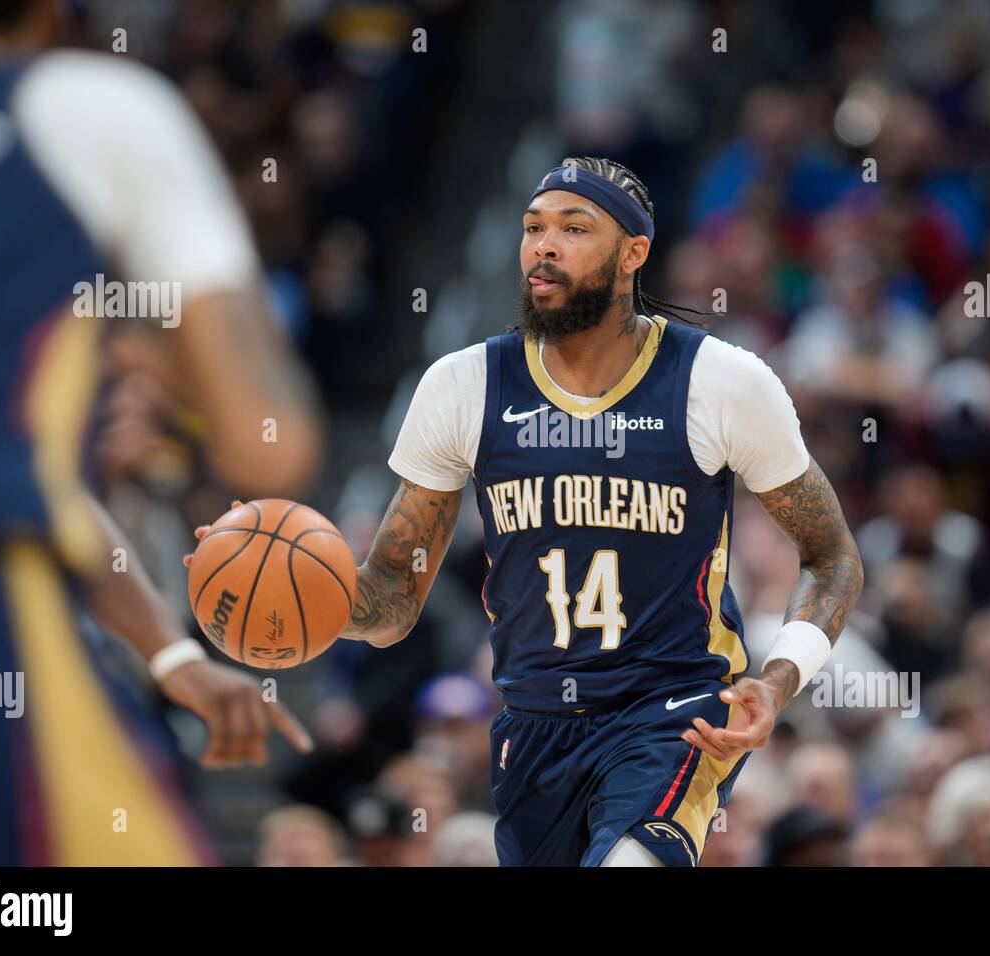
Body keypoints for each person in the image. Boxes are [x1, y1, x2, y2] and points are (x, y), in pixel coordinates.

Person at [332, 156, 864, 865]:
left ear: (633, 253)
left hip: (673, 711)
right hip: (533, 725)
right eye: (532, 228)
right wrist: (309, 602)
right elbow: (393, 597)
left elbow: (833, 557)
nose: (543, 245)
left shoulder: (720, 382)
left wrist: (777, 680)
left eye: (573, 227)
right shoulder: (463, 386)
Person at [0, 0, 322, 864]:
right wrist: (154, 355)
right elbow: (270, 442)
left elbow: (31, 487)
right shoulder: (84, 105)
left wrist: (172, 658)